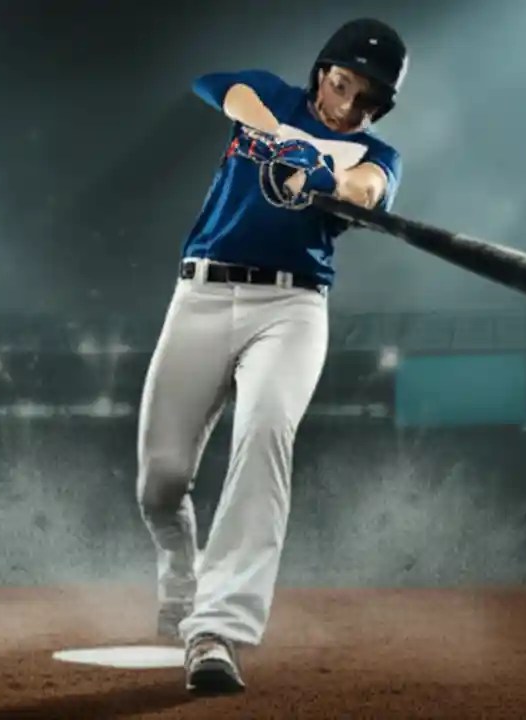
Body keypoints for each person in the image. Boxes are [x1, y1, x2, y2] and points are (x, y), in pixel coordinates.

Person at [134, 18, 408, 694]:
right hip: (201, 292)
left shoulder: (375, 152)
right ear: (323, 71)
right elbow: (219, 90)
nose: (348, 108)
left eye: (367, 101)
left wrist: (332, 179)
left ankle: (216, 632)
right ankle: (180, 570)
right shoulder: (270, 97)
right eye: (343, 86)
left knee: (264, 439)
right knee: (161, 480)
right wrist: (288, 141)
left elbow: (370, 188)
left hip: (291, 309)